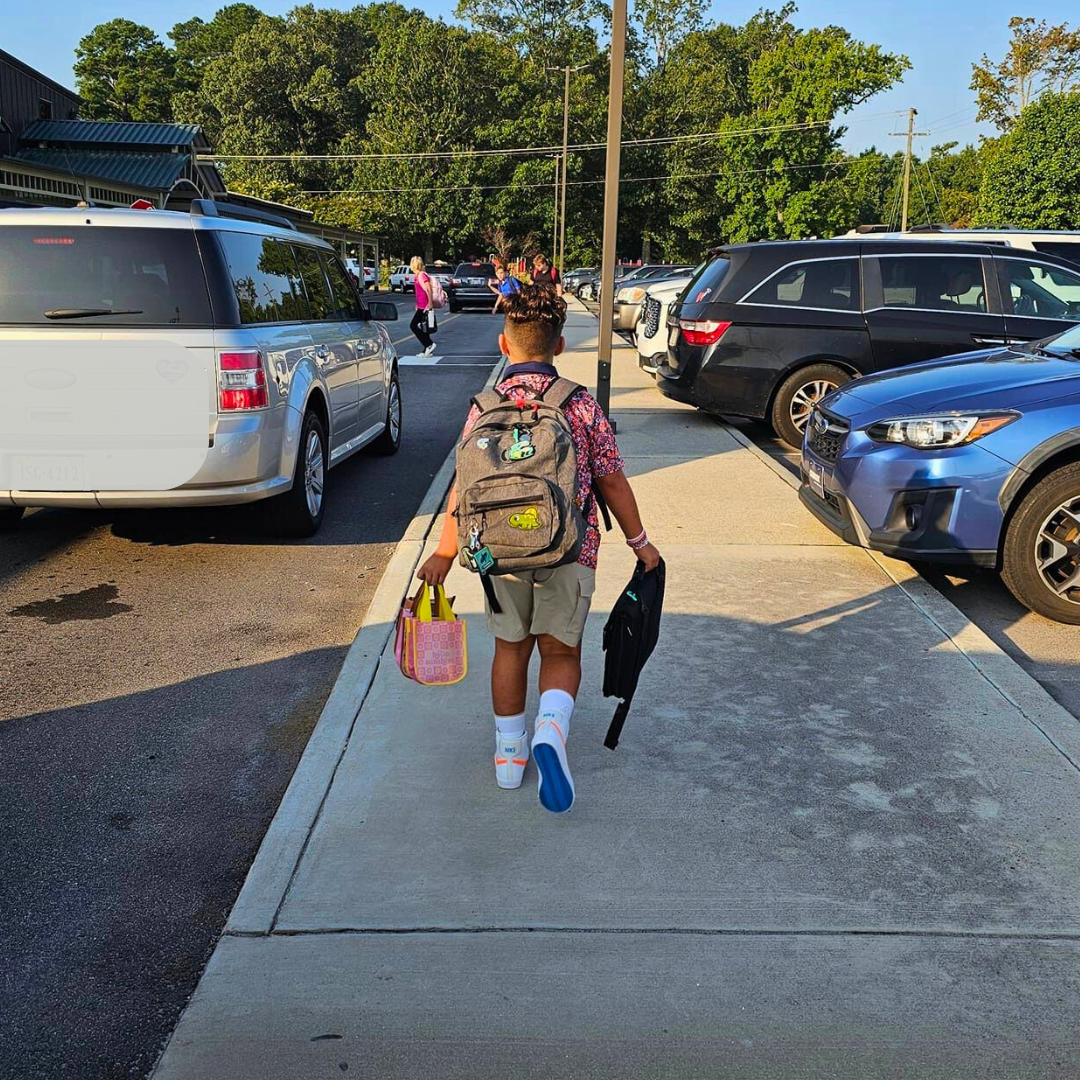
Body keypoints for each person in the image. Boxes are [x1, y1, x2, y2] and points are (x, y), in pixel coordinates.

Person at [417, 287, 660, 814]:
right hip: (569, 552)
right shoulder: (579, 404)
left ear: (505, 345)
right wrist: (641, 545)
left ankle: (509, 758)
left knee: (511, 650)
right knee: (561, 652)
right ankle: (550, 732)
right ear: (561, 344)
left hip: (497, 557)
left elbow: (465, 485)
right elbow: (612, 482)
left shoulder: (483, 406)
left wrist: (443, 551)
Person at [410, 255, 436, 357]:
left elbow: (429, 289)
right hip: (420, 305)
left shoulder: (422, 275)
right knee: (424, 327)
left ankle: (429, 344)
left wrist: (430, 304)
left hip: (425, 306)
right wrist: (417, 304)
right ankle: (427, 350)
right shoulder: (417, 276)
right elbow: (418, 292)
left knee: (413, 325)